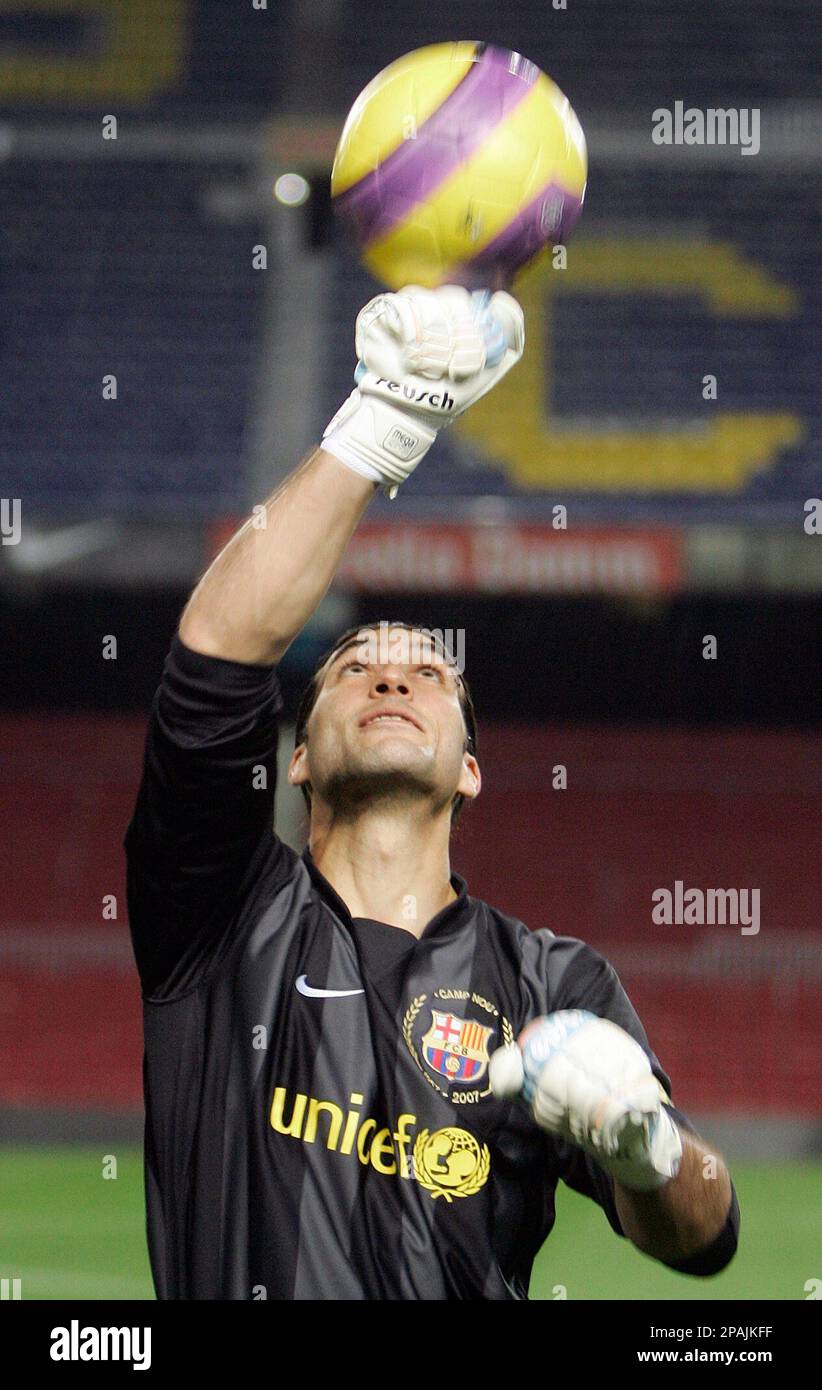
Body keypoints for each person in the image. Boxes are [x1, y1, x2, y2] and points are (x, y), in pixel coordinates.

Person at [125, 284, 739, 1300]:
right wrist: (385, 421)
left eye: (428, 674)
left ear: (470, 768)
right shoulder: (217, 914)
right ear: (298, 756)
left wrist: (649, 1150)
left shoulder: (553, 984)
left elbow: (704, 1241)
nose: (395, 677)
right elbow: (215, 659)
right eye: (355, 670)